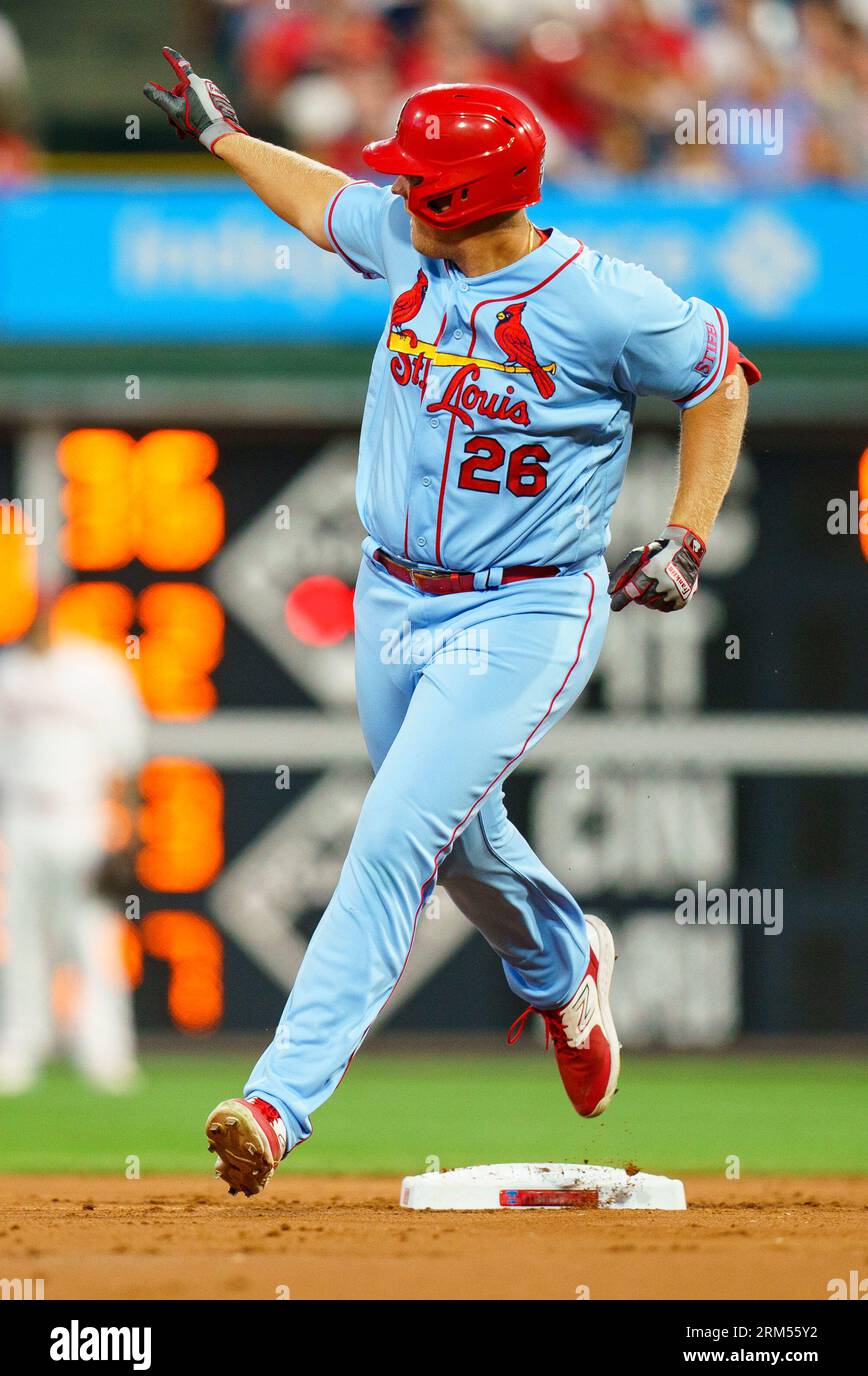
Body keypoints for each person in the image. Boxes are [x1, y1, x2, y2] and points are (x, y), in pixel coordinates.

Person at [144, 48, 760, 1196]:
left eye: (416, 179)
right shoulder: (407, 240)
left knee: (393, 836)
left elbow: (719, 380)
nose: (394, 191)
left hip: (525, 603)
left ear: (460, 200)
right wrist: (221, 134)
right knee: (460, 841)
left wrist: (684, 533)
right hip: (393, 595)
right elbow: (323, 202)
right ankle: (565, 961)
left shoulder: (601, 300)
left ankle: (277, 1103)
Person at [0, 601, 146, 1093]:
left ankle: (106, 1051)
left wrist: (128, 829)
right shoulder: (9, 673)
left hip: (83, 818)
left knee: (92, 937)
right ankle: (24, 1042)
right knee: (22, 937)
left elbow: (126, 756)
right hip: (22, 818)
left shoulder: (95, 668)